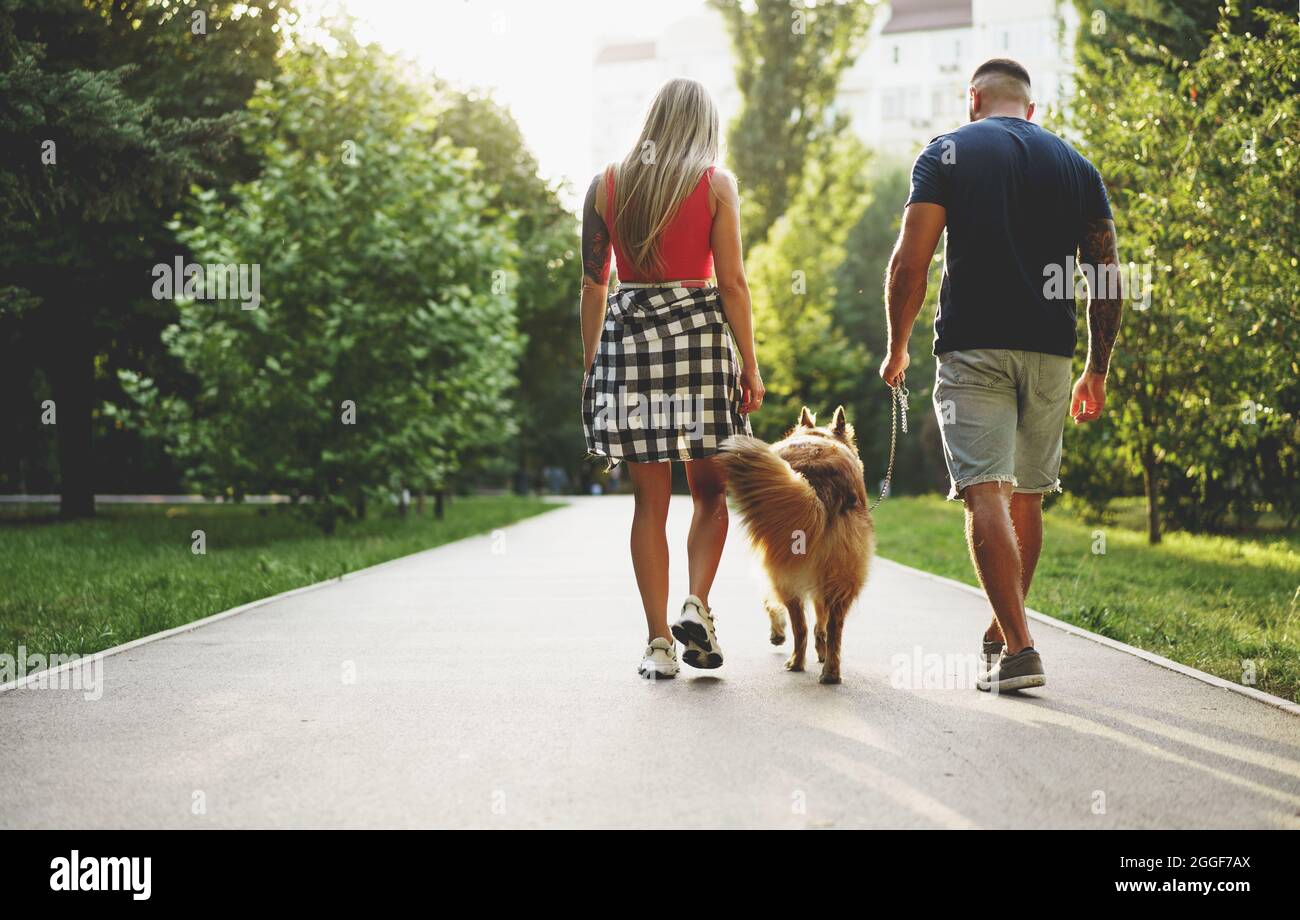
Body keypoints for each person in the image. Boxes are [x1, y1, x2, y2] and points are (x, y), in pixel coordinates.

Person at [878, 58, 1123, 692]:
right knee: (1027, 497)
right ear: (1031, 109)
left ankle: (1019, 647)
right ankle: (1003, 631)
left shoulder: (947, 152)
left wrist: (897, 345)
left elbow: (912, 260)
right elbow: (1105, 275)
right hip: (1051, 353)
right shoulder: (1076, 166)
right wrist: (1096, 369)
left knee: (986, 491)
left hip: (972, 349)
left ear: (974, 100)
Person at [580, 78, 764, 680]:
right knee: (710, 491)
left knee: (648, 502)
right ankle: (697, 602)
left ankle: (659, 643)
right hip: (701, 346)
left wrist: (593, 371)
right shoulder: (715, 184)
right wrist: (751, 366)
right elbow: (732, 283)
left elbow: (593, 285)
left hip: (630, 347)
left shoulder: (604, 186)